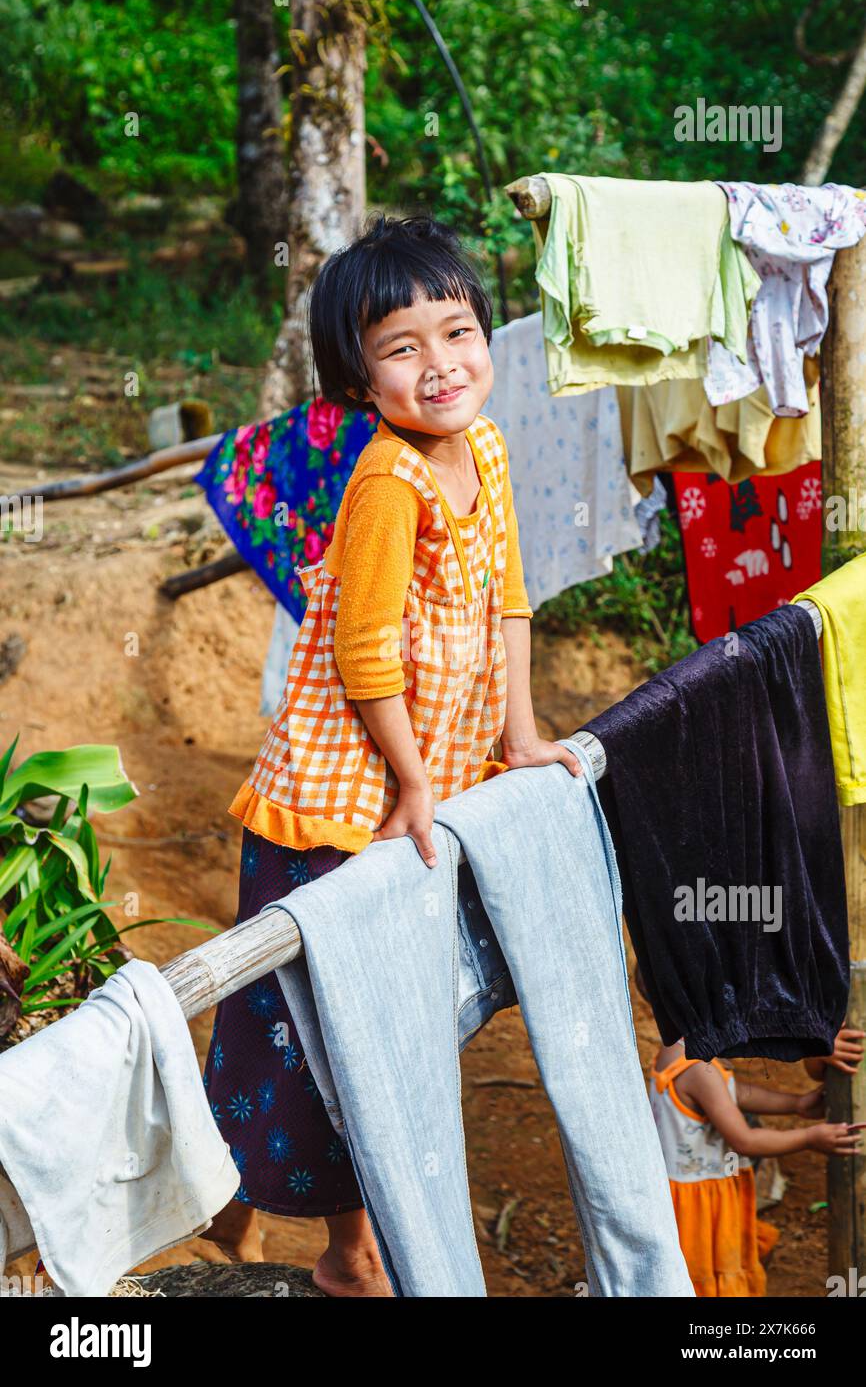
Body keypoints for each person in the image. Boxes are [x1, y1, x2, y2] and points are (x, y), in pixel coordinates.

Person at [199, 214, 583, 1296]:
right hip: (342, 802)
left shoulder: (489, 451)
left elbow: (507, 597)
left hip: (423, 786)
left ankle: (234, 1209)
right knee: (318, 1027)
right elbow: (366, 654)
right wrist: (415, 780)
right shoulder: (384, 486)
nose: (439, 365)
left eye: (455, 331)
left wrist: (517, 732)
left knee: (337, 1021)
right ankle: (348, 1251)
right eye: (401, 348)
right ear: (360, 380)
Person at [635, 967, 864, 1296]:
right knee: (709, 1281)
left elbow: (735, 1093)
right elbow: (744, 1140)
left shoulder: (682, 1052)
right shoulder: (699, 1068)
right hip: (702, 1204)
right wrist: (811, 1138)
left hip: (693, 1193)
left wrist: (796, 1104)